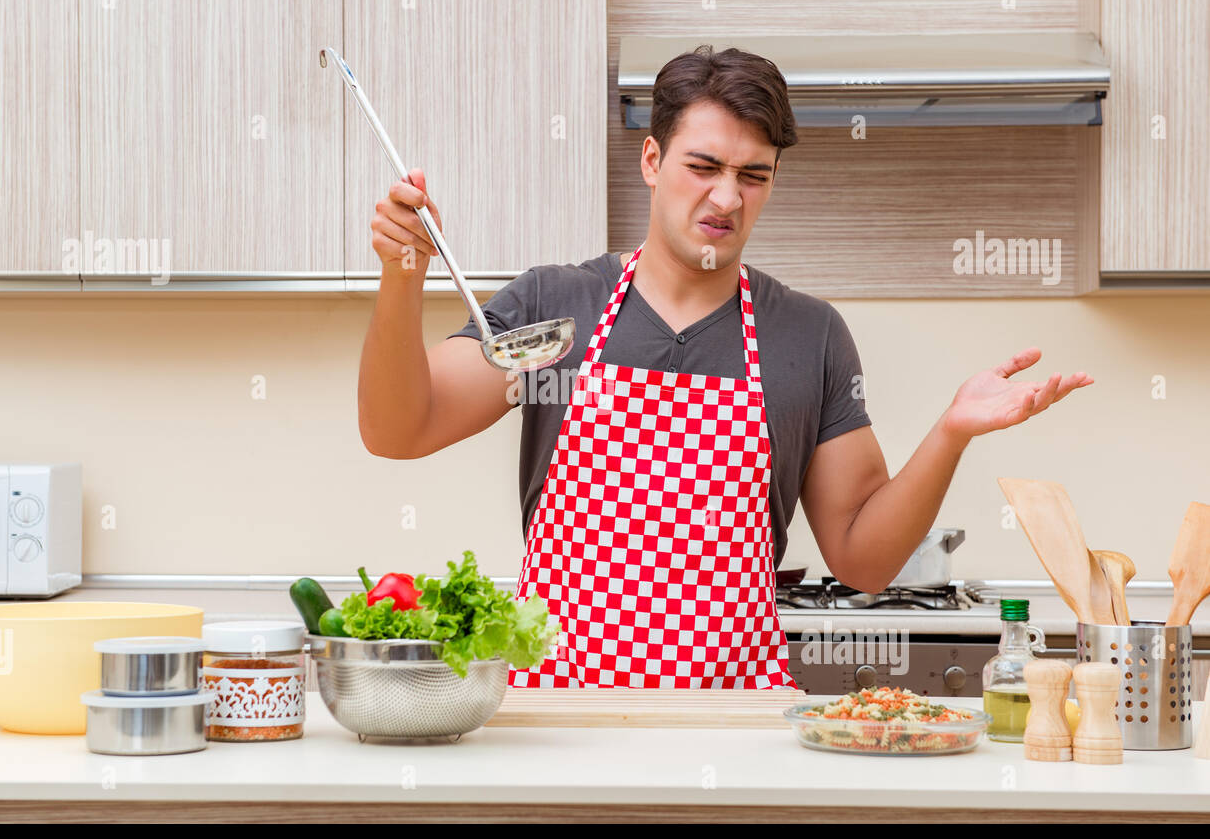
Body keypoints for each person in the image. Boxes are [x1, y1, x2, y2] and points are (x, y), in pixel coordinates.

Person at [357, 45, 1092, 689]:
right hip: (562, 716)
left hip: (737, 723)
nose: (726, 197)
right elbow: (399, 428)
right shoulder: (555, 308)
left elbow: (864, 561)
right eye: (703, 166)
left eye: (753, 175)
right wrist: (403, 277)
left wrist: (951, 431)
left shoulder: (808, 335)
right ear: (652, 161)